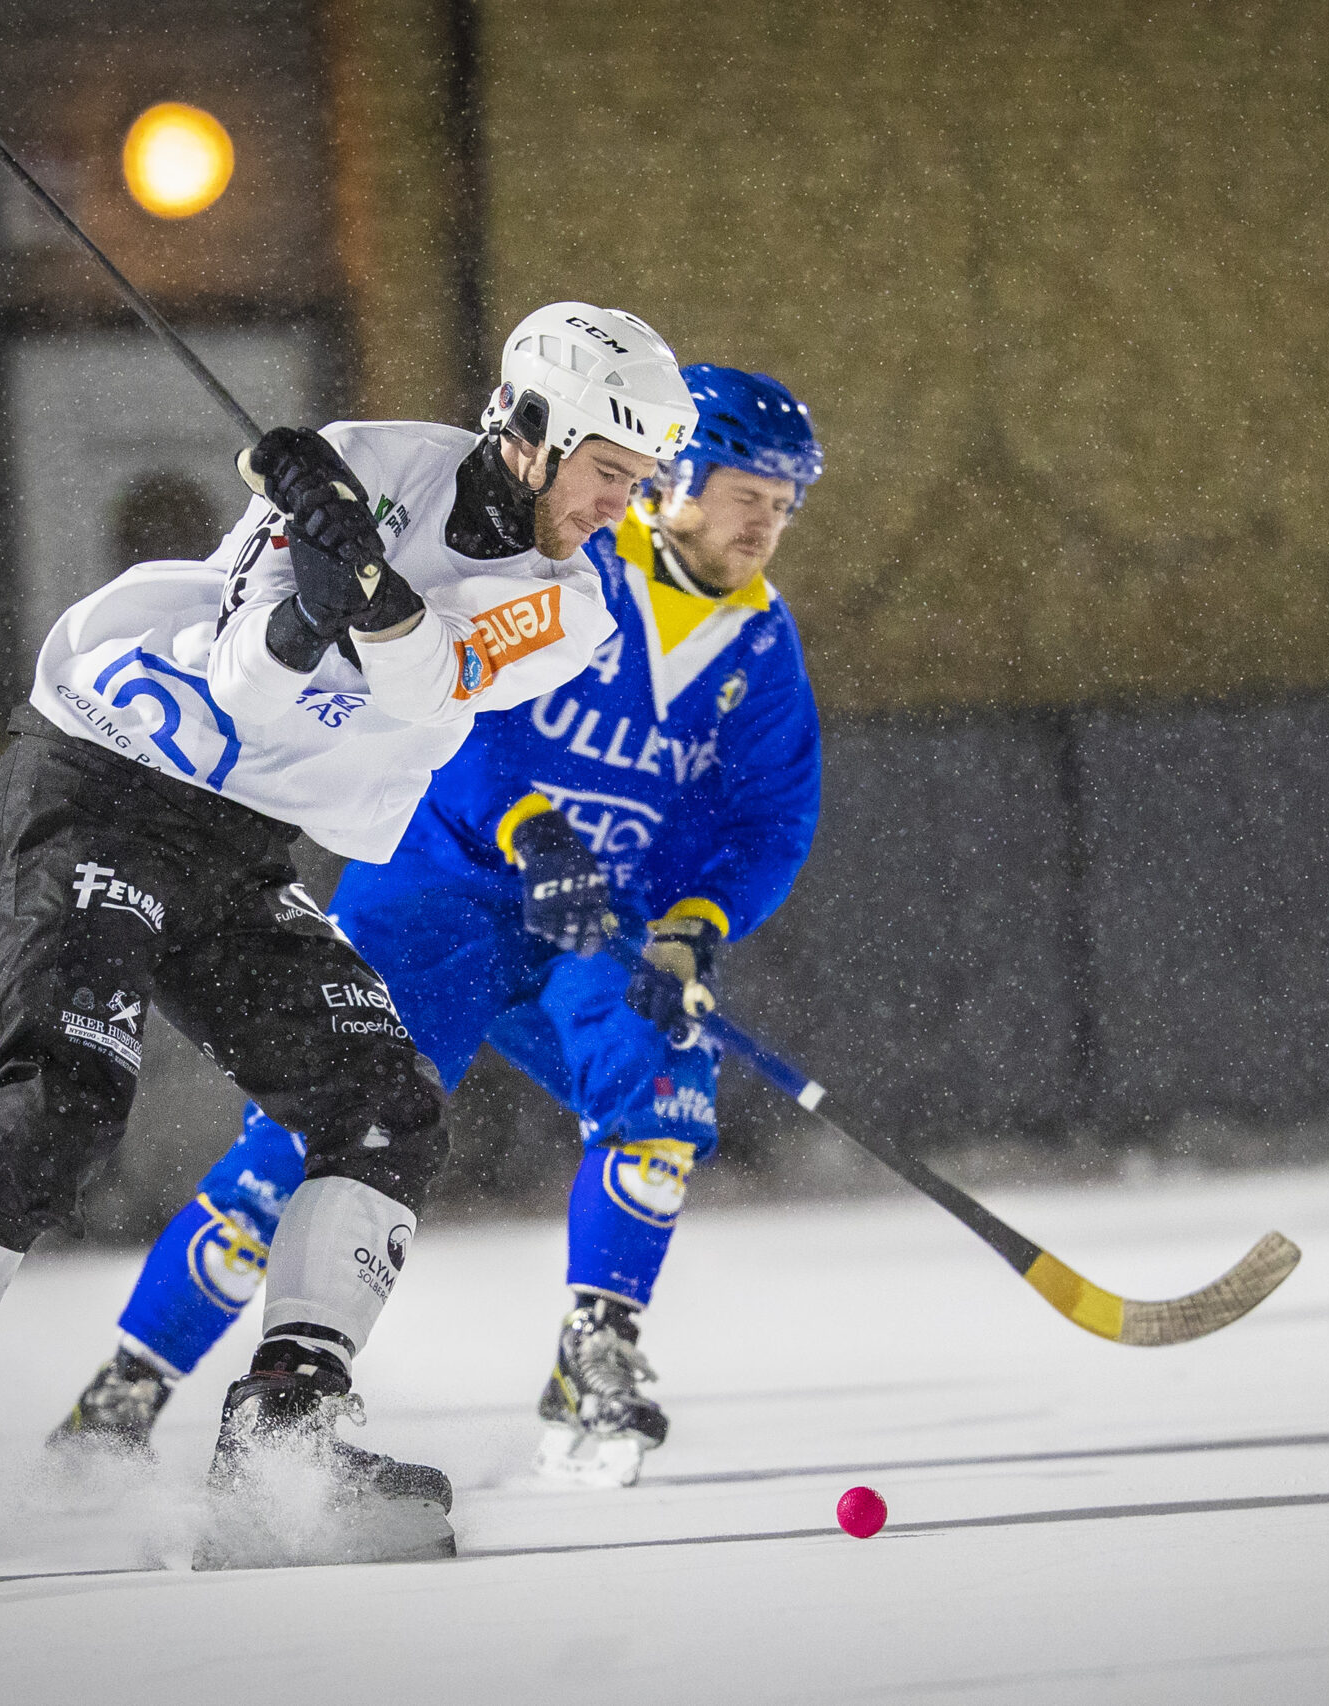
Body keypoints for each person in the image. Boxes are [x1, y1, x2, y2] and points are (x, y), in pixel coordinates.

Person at [0, 303, 699, 1589]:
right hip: (102, 773)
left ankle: (282, 1440)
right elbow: (253, 681)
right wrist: (314, 579)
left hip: (235, 846)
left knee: (383, 1103)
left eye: (642, 484)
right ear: (529, 431)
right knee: (63, 1100)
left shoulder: (576, 602)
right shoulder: (368, 459)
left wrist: (359, 586)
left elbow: (433, 683)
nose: (622, 506)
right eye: (612, 473)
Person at [46, 364, 824, 1489]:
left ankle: (593, 1349)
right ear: (681, 481)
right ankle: (128, 1383)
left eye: (786, 503)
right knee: (306, 1140)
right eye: (752, 491)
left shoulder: (761, 649)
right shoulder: (577, 558)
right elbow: (448, 703)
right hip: (441, 895)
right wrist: (530, 830)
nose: (769, 521)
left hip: (593, 929)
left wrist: (691, 930)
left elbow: (768, 819)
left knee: (664, 1077)